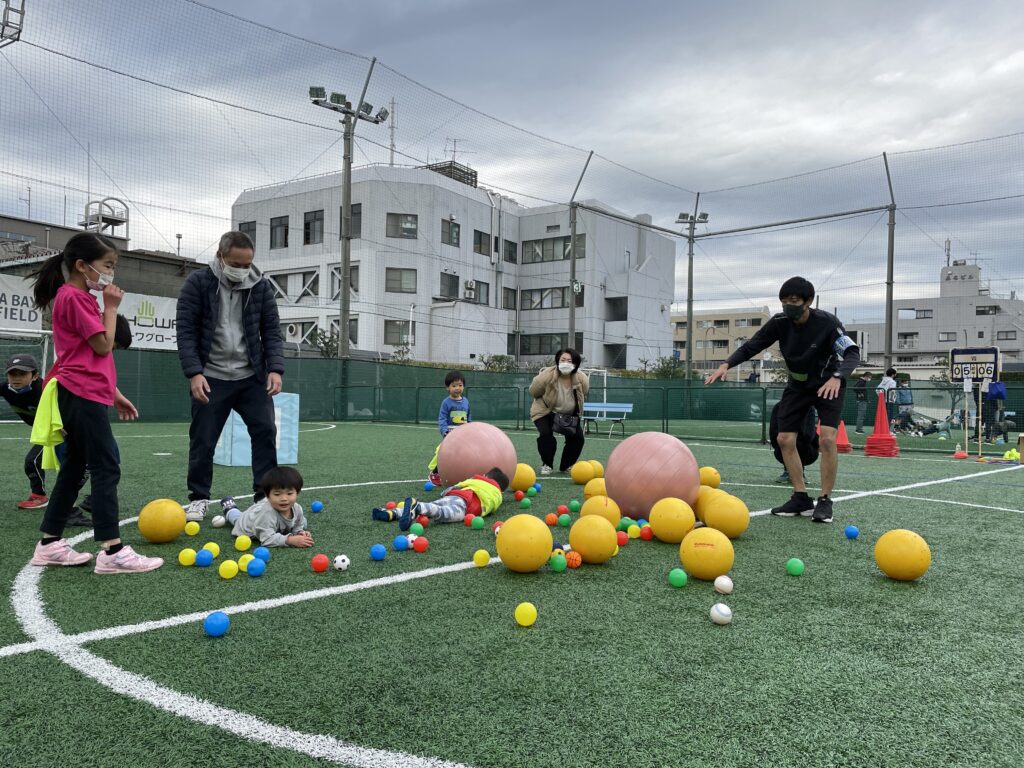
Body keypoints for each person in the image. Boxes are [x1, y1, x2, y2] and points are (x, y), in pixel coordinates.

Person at [25, 231, 163, 573]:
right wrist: (112, 308)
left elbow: (86, 355)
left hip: (83, 392)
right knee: (105, 466)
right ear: (82, 265)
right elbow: (103, 346)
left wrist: (114, 394)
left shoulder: (80, 297)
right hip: (79, 394)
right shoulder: (73, 297)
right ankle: (112, 550)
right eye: (108, 265)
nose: (111, 273)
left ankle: (49, 544)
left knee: (74, 468)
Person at [705, 276, 860, 523]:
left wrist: (838, 377)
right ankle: (800, 497)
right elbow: (752, 346)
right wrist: (726, 363)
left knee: (828, 440)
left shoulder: (828, 323)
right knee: (784, 438)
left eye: (794, 300)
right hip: (798, 386)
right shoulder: (780, 322)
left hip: (828, 384)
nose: (789, 305)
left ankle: (825, 501)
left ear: (808, 301)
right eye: (784, 301)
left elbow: (852, 353)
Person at [176, 230, 284, 522]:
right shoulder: (198, 283)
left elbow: (272, 331)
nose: (242, 270)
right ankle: (198, 498)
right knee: (203, 439)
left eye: (247, 263)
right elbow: (185, 332)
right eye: (236, 263)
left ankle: (264, 497)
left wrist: (275, 368)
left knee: (264, 433)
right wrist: (194, 373)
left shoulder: (260, 286)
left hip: (251, 376)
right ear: (220, 257)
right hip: (211, 376)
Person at [373, 466, 509, 530]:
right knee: (441, 513)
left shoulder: (474, 480)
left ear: (485, 476)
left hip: (456, 495)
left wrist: (445, 492)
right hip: (466, 504)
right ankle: (417, 506)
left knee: (434, 506)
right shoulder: (497, 494)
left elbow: (457, 486)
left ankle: (392, 513)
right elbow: (492, 507)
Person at [529, 348, 589, 476]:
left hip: (568, 414)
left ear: (576, 363)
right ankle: (547, 464)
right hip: (545, 411)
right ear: (557, 360)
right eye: (563, 360)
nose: (565, 363)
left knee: (577, 438)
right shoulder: (546, 375)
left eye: (569, 360)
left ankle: (567, 465)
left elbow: (584, 393)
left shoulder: (582, 378)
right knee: (546, 435)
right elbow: (534, 391)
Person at [3, 354, 48, 509]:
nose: (16, 378)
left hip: (61, 430)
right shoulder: (6, 389)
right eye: (12, 374)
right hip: (43, 431)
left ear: (34, 376)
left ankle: (39, 497)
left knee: (32, 461)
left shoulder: (44, 389)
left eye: (22, 374)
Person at [230, 466, 312, 548]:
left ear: (297, 493)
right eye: (277, 494)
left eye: (289, 493)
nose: (284, 499)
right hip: (246, 523)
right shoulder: (267, 513)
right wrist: (289, 540)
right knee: (236, 518)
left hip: (258, 514)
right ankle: (229, 508)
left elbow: (297, 526)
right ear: (267, 495)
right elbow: (266, 539)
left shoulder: (297, 508)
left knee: (304, 523)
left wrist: (299, 533)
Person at [427, 370, 471, 486]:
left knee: (462, 455)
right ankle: (435, 473)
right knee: (447, 455)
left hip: (463, 434)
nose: (457, 388)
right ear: (448, 388)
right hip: (450, 434)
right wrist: (445, 431)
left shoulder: (466, 402)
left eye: (460, 385)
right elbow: (442, 419)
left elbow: (468, 417)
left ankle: (458, 474)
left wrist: (471, 429)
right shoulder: (446, 403)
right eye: (454, 385)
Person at [771, 403, 818, 485]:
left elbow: (809, 435)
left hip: (807, 451)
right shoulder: (779, 407)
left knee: (799, 440)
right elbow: (773, 433)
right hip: (782, 448)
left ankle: (799, 471)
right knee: (786, 440)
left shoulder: (809, 407)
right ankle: (788, 471)